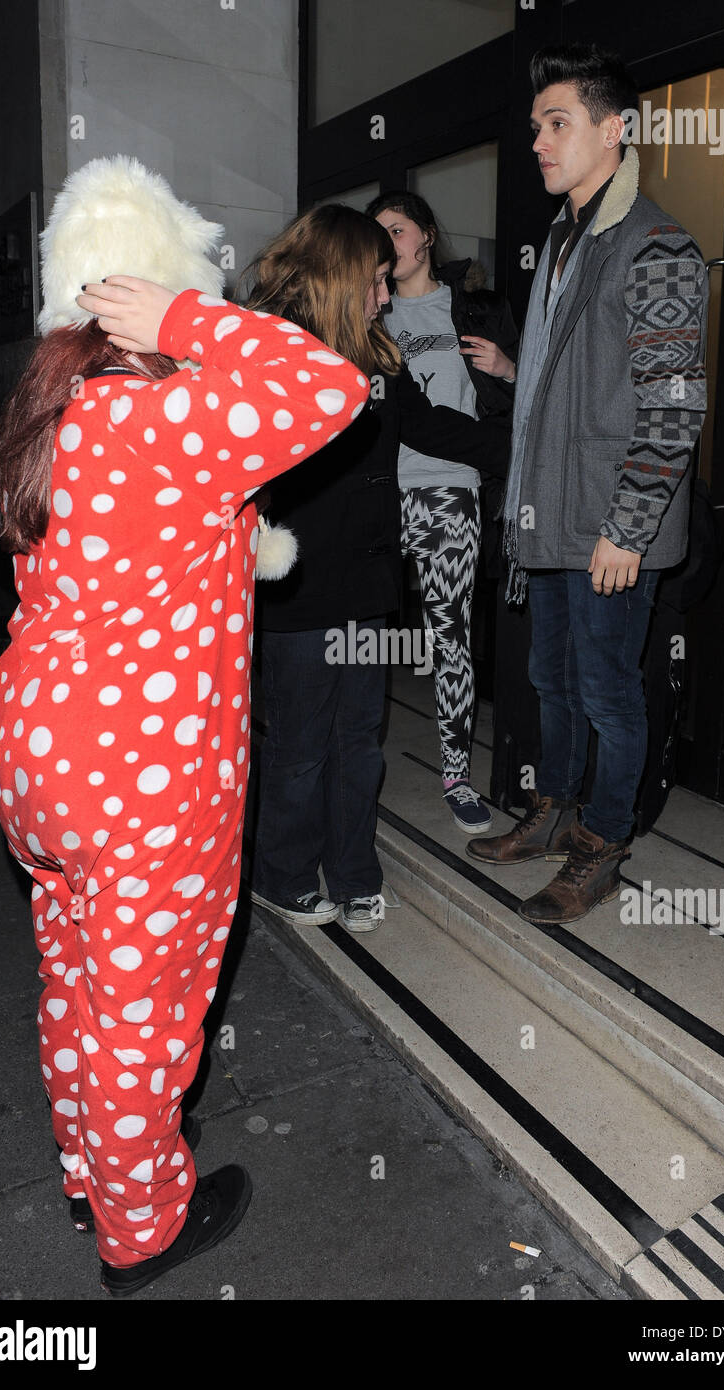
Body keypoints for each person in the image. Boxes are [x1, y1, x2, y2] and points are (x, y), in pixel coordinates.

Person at [0, 156, 370, 1296]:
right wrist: (190, 316)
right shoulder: (171, 412)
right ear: (147, 288)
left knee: (76, 974)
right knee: (145, 1012)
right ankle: (141, 1224)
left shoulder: (52, 410)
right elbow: (330, 386)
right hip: (146, 770)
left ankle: (87, 1167)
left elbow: (153, 547)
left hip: (34, 748)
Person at [467, 44, 708, 925]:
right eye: (536, 125)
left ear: (616, 129)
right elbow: (581, 379)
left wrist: (632, 526)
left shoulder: (655, 244)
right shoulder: (568, 237)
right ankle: (555, 808)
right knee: (554, 680)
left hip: (610, 525)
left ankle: (603, 842)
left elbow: (674, 407)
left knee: (609, 688)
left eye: (558, 123)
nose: (539, 140)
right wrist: (514, 367)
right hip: (554, 514)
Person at [247, 204, 508, 933]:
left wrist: (525, 457)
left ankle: (354, 871)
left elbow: (436, 427)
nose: (387, 296)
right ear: (339, 278)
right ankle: (283, 873)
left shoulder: (378, 359)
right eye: (376, 281)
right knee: (300, 747)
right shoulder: (271, 357)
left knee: (359, 743)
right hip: (298, 588)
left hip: (365, 585)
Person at [367, 190, 518, 833]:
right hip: (378, 492)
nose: (388, 246)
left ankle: (456, 776)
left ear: (426, 235)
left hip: (450, 487)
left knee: (448, 637)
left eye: (397, 231)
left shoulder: (474, 308)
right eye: (378, 236)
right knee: (365, 637)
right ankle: (357, 762)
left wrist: (509, 369)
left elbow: (534, 396)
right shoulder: (367, 313)